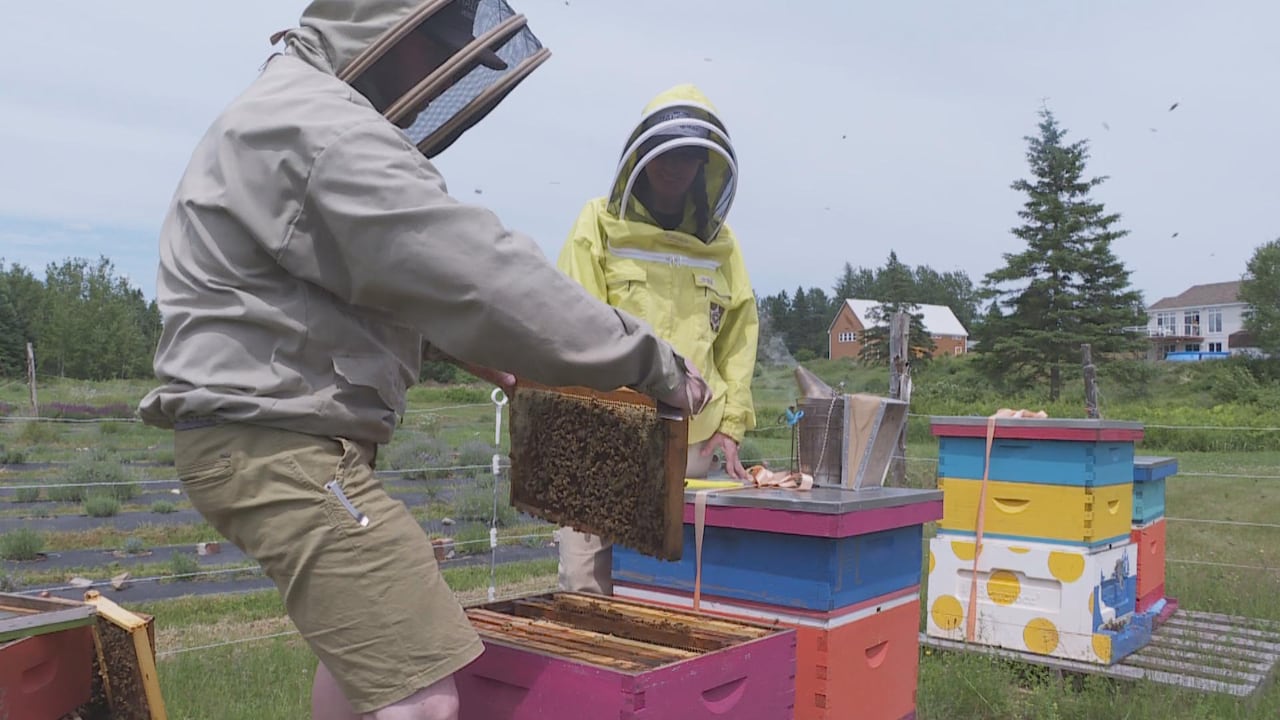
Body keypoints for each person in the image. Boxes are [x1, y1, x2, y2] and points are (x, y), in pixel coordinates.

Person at [136, 2, 711, 719]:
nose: (439, 69)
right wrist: (648, 359)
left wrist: (474, 354)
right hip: (281, 451)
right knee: (423, 696)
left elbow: (348, 284)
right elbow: (481, 274)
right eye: (433, 46)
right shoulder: (322, 129)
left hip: (264, 441)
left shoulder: (284, 110)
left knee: (363, 670)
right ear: (384, 33)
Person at [555, 84, 759, 596]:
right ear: (642, 155)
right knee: (588, 589)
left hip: (691, 445)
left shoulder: (722, 246)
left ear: (706, 166)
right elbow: (573, 323)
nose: (676, 166)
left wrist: (731, 426)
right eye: (668, 152)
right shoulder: (598, 225)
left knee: (672, 594)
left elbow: (737, 338)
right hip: (603, 437)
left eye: (691, 156)